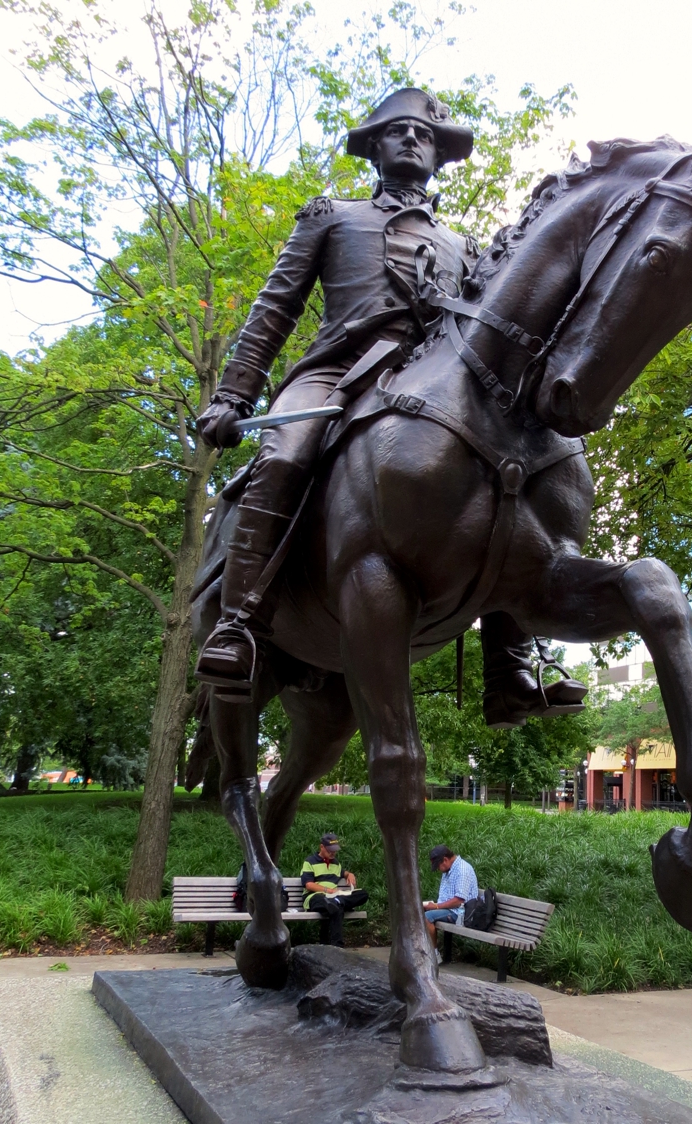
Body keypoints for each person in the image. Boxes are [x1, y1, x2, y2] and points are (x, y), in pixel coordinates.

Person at [193, 86, 586, 724]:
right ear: (375, 146)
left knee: (508, 470)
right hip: (336, 375)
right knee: (285, 455)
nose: (412, 140)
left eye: (425, 134)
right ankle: (237, 626)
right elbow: (276, 307)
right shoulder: (330, 215)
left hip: (431, 384)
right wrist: (235, 392)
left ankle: (512, 665)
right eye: (398, 131)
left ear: (438, 155)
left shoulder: (465, 246)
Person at [301, 833, 368, 947]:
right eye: (330, 850)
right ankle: (338, 945)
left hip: (334, 897)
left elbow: (343, 873)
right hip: (315, 897)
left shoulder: (336, 864)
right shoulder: (310, 862)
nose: (333, 853)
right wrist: (328, 890)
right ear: (322, 847)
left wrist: (349, 874)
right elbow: (309, 885)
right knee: (333, 906)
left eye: (335, 850)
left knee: (363, 894)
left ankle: (338, 902)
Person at [423, 844, 478, 953]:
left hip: (460, 913)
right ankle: (422, 950)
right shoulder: (448, 869)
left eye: (438, 866)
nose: (438, 869)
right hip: (448, 909)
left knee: (426, 917)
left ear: (445, 860)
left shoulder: (462, 870)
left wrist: (436, 906)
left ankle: (434, 955)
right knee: (417, 911)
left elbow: (459, 901)